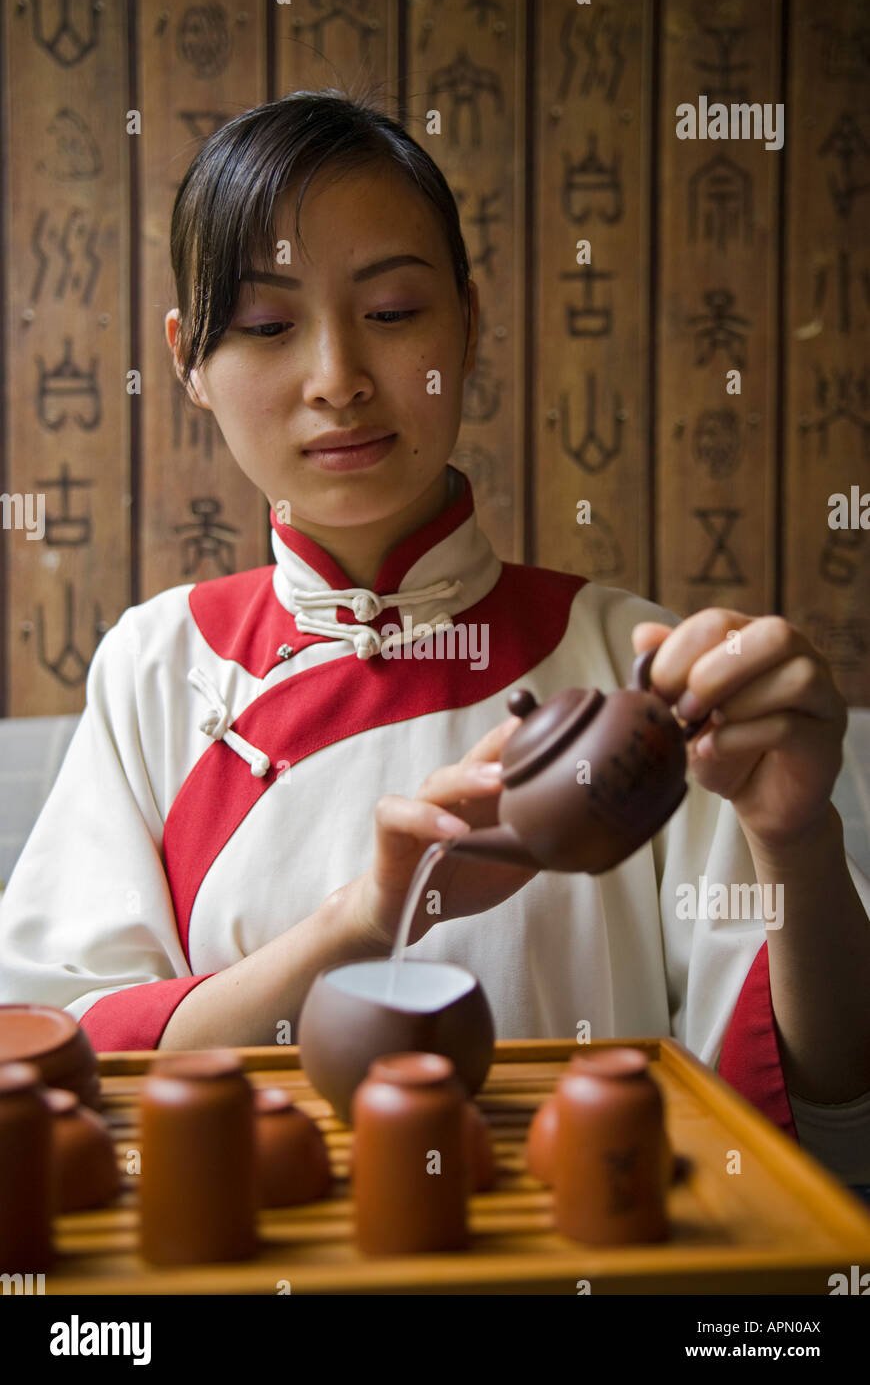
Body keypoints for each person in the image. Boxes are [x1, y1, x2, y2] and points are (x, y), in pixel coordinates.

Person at [1, 90, 869, 1184]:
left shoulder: (638, 669)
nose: (338, 379)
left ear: (469, 317)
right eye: (269, 326)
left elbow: (830, 1113)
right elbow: (68, 1072)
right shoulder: (155, 668)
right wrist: (360, 921)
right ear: (186, 359)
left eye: (396, 309)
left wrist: (797, 841)